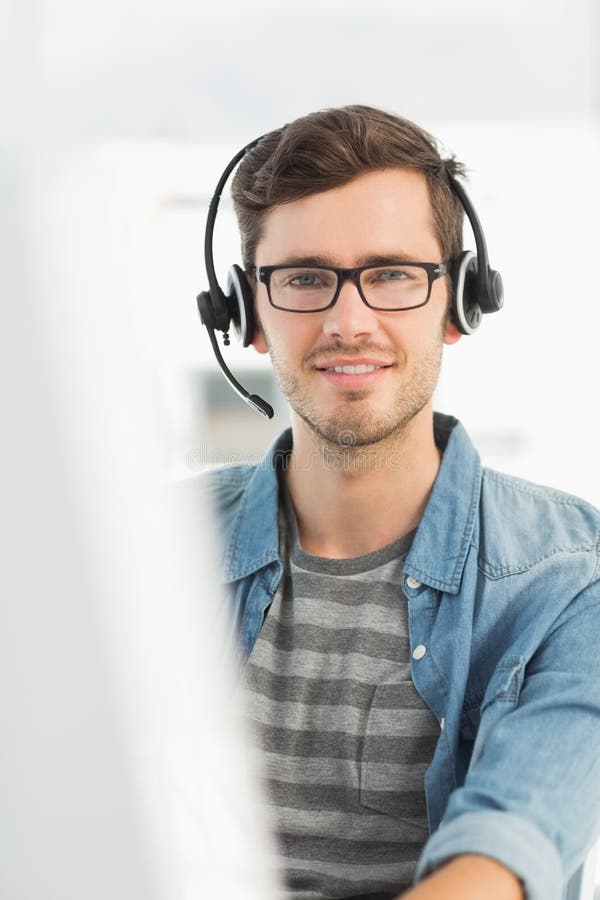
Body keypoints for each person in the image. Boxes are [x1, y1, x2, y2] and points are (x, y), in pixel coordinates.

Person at [200, 105, 600, 900]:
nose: (349, 323)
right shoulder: (141, 547)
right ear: (247, 314)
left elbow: (505, 854)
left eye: (390, 274)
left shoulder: (571, 575)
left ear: (458, 303)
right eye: (305, 278)